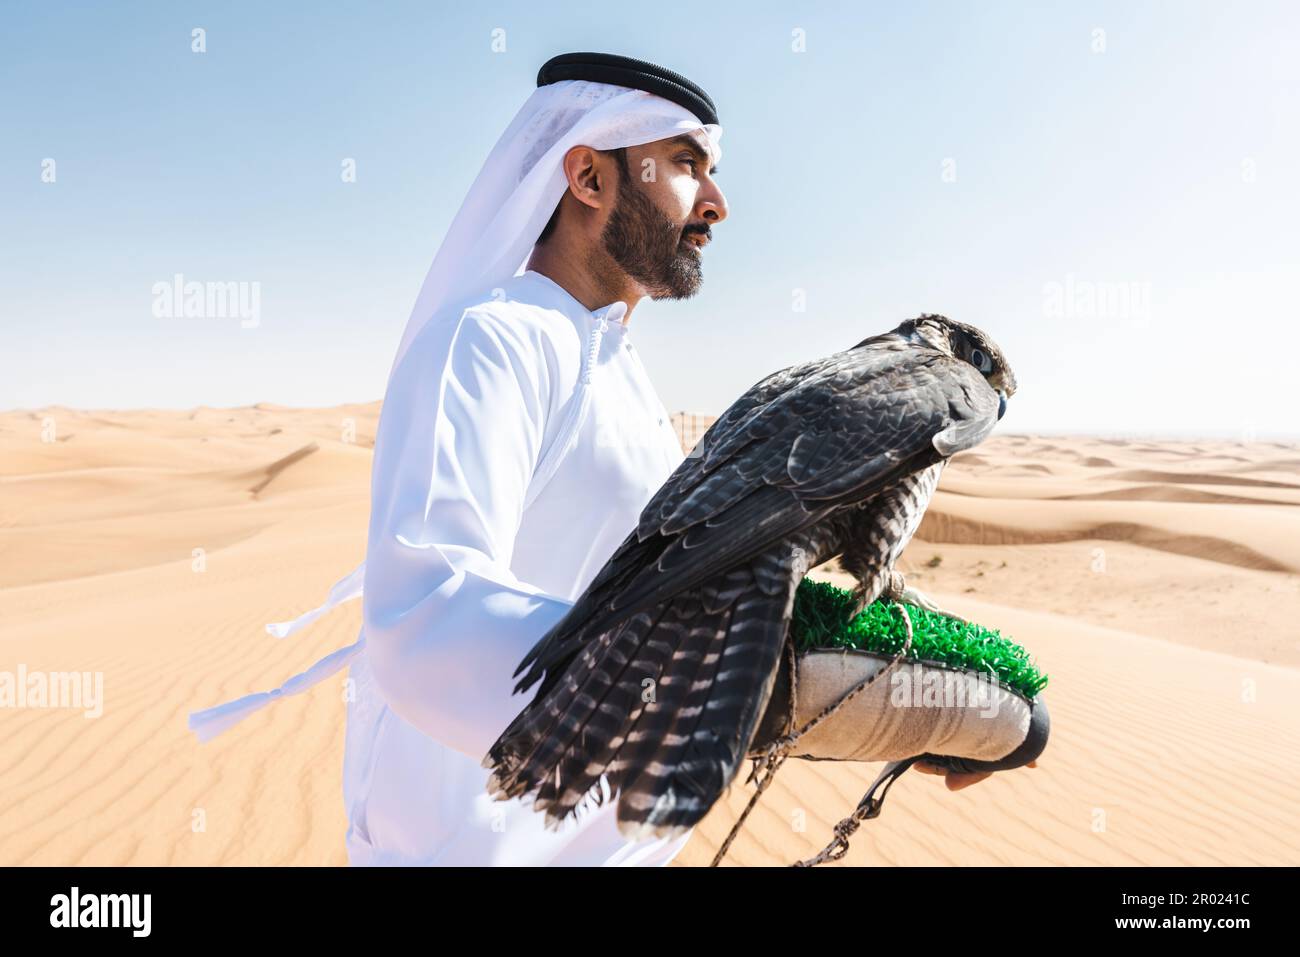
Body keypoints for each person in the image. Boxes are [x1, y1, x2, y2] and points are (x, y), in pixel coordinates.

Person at [188, 53, 732, 865]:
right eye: (686, 164)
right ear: (587, 176)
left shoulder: (625, 373)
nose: (716, 204)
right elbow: (428, 608)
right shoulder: (493, 338)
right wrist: (680, 692)